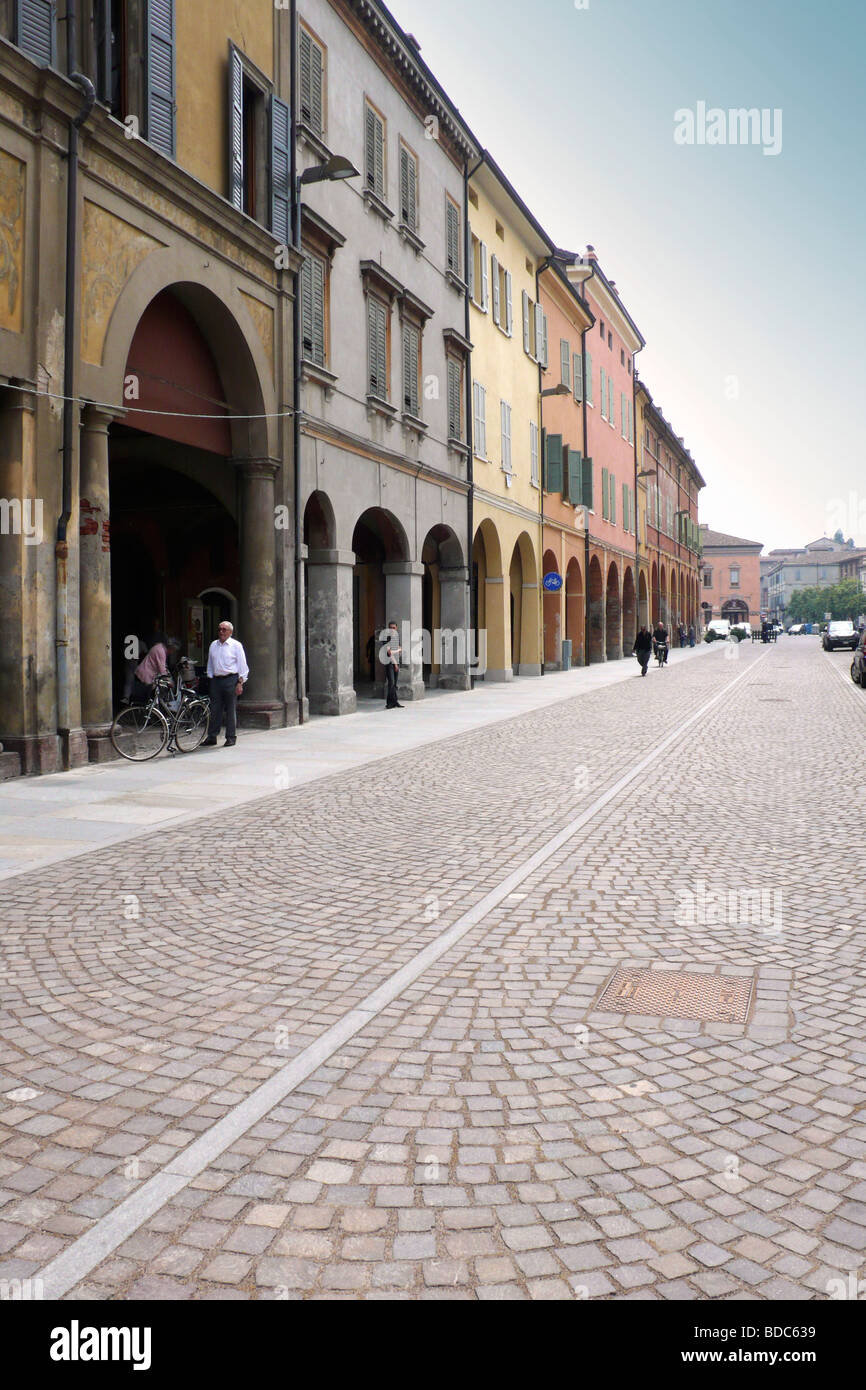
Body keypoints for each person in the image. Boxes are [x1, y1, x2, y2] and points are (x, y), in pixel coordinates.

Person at [202, 621, 248, 747]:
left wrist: (240, 682)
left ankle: (231, 736)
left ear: (230, 632)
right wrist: (210, 677)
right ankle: (212, 736)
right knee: (215, 709)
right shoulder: (213, 645)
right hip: (216, 680)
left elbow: (242, 665)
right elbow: (210, 663)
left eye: (224, 630)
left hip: (231, 679)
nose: (221, 632)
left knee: (230, 709)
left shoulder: (236, 646)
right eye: (219, 629)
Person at [383, 621, 403, 709]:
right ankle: (389, 703)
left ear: (396, 628)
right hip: (389, 663)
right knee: (391, 683)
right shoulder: (386, 638)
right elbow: (389, 653)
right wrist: (398, 651)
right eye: (390, 628)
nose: (392, 629)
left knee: (395, 683)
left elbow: (399, 649)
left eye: (393, 628)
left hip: (396, 662)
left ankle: (395, 701)